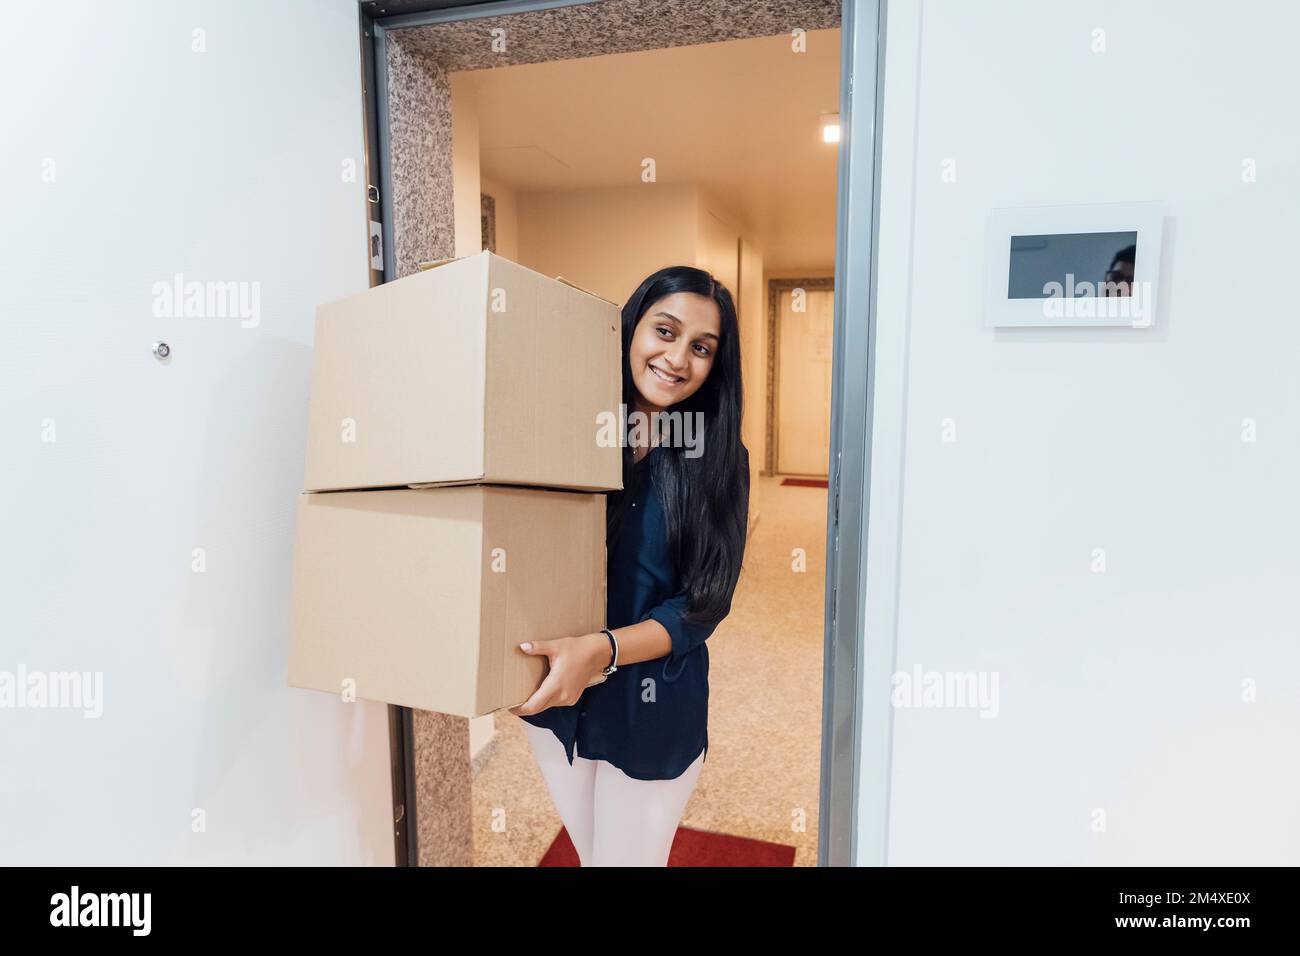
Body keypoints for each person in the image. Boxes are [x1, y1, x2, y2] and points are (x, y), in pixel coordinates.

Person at [509, 264, 751, 867]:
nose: (677, 358)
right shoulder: (573, 431)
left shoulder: (718, 458)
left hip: (652, 710)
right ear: (631, 328)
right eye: (664, 332)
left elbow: (703, 605)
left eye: (701, 348)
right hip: (560, 699)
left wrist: (605, 649)